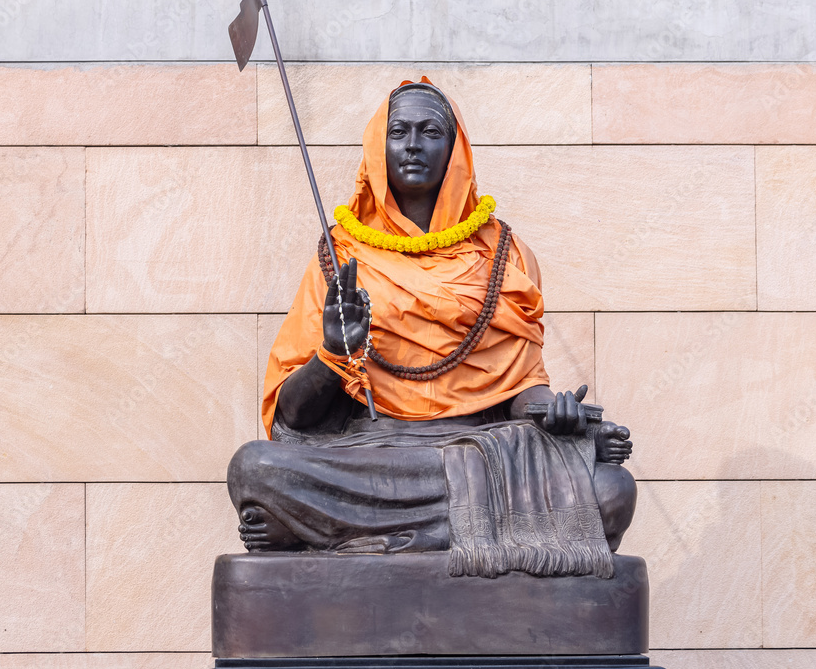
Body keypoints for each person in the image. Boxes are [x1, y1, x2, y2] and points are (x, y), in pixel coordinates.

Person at [228, 79, 635, 578]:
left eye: (430, 131)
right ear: (380, 148)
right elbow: (293, 416)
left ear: (455, 148)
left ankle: (346, 532)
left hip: (483, 452)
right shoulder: (341, 253)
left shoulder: (501, 251)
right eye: (399, 132)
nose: (414, 145)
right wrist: (332, 356)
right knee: (255, 468)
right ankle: (460, 530)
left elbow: (524, 388)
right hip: (375, 455)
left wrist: (562, 417)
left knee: (612, 491)